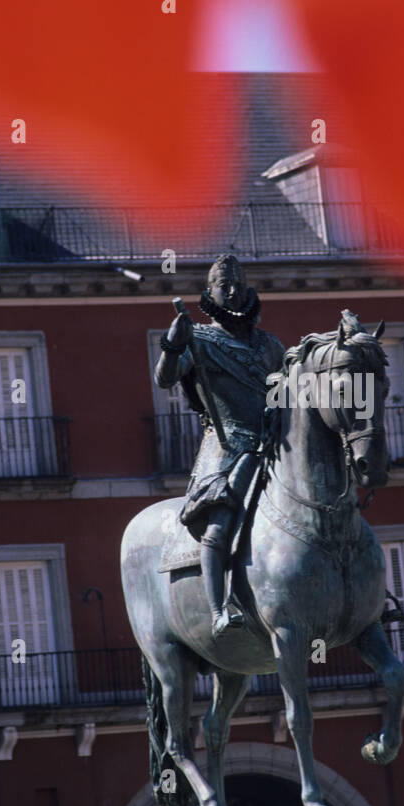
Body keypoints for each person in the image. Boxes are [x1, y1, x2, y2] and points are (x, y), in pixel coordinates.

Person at [155, 254, 284, 636]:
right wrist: (173, 345)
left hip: (274, 443)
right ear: (209, 292)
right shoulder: (201, 340)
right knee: (219, 523)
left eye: (237, 285)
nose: (231, 292)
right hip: (226, 448)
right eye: (223, 286)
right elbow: (164, 379)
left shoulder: (270, 346)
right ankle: (219, 609)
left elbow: (287, 394)